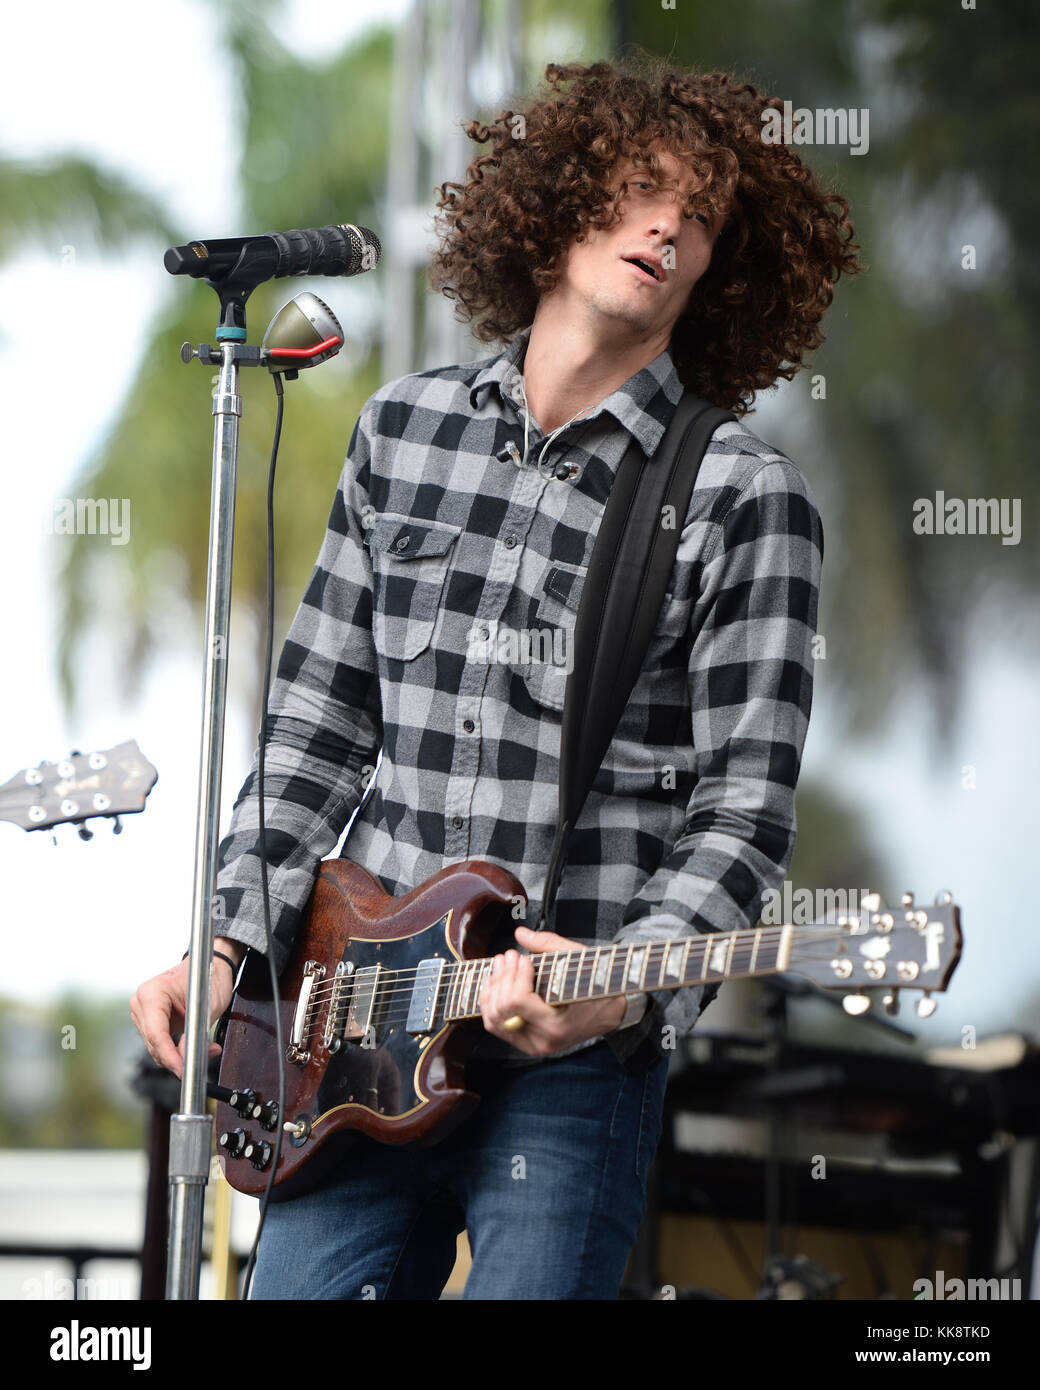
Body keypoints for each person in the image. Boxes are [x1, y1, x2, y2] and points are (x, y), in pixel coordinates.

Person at [131, 58, 860, 1299]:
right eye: (636, 188)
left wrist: (614, 997)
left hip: (568, 1068)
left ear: (719, 268)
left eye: (699, 214)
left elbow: (741, 821)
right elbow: (318, 725)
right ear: (556, 205)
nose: (667, 223)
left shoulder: (742, 499)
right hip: (350, 1035)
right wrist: (225, 943)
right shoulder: (400, 433)